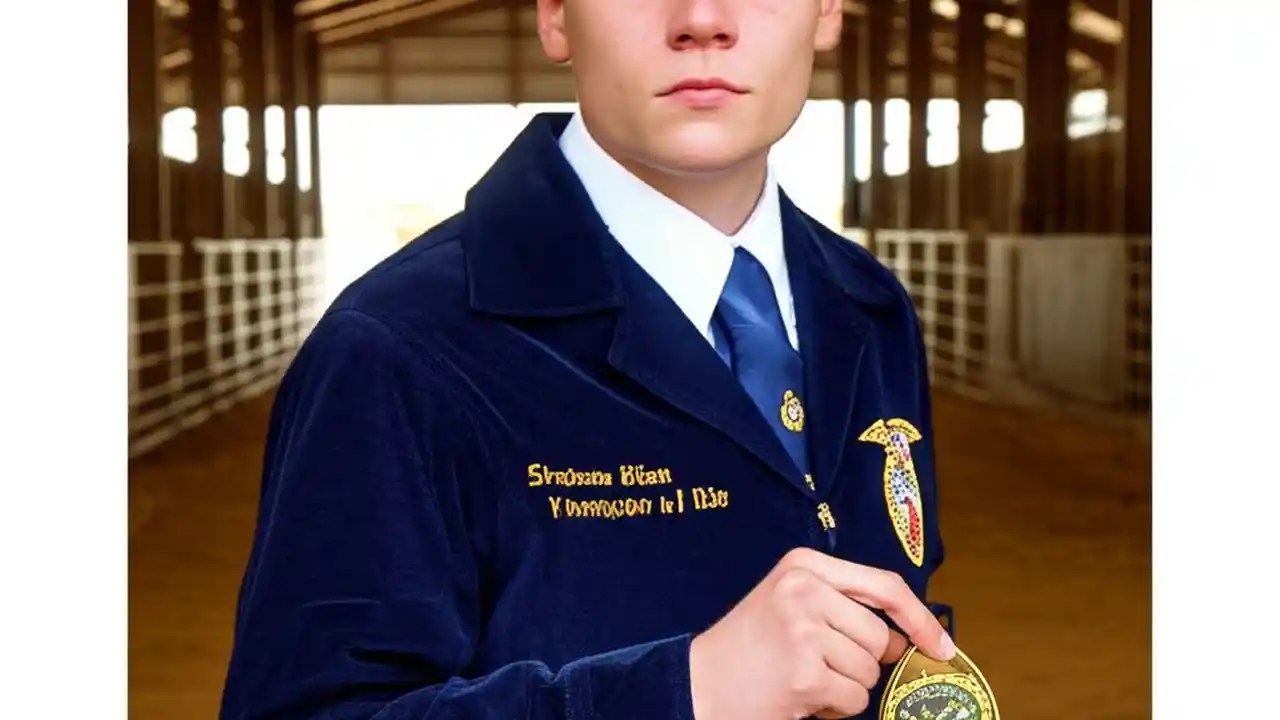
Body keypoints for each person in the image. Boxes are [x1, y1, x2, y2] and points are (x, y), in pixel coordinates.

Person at [219, 1, 955, 718]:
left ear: (826, 12)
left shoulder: (868, 308)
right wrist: (684, 692)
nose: (702, 19)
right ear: (555, 15)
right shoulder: (399, 347)